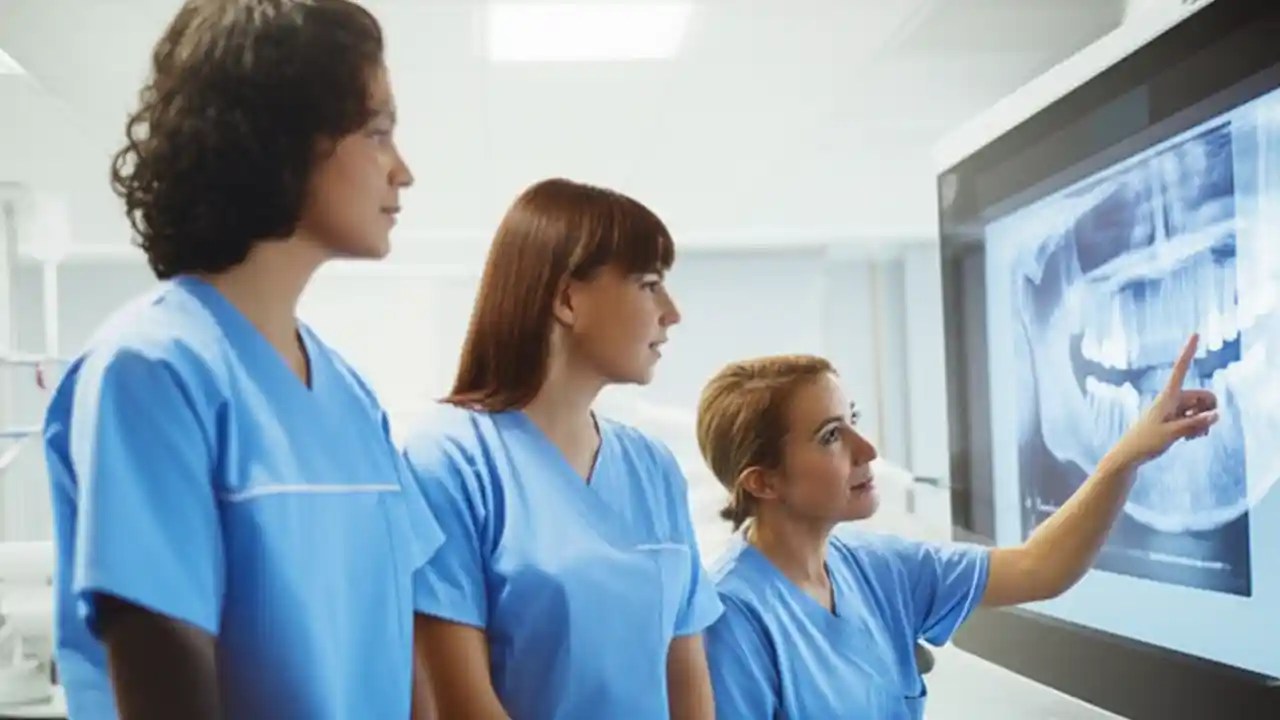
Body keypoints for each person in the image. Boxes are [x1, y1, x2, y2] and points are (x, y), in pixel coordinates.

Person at [40, 2, 441, 718]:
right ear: (279, 137)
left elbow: (403, 657)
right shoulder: (154, 373)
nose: (402, 171)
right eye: (377, 133)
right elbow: (164, 678)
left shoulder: (352, 399)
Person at [694, 337, 1217, 719]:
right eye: (831, 436)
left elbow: (1039, 568)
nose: (867, 450)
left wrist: (1126, 457)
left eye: (853, 418)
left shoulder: (873, 567)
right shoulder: (729, 620)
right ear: (763, 482)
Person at [403, 178, 723, 720]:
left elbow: (687, 684)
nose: (672, 312)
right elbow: (458, 704)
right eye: (649, 284)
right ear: (567, 299)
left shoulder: (652, 469)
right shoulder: (450, 460)